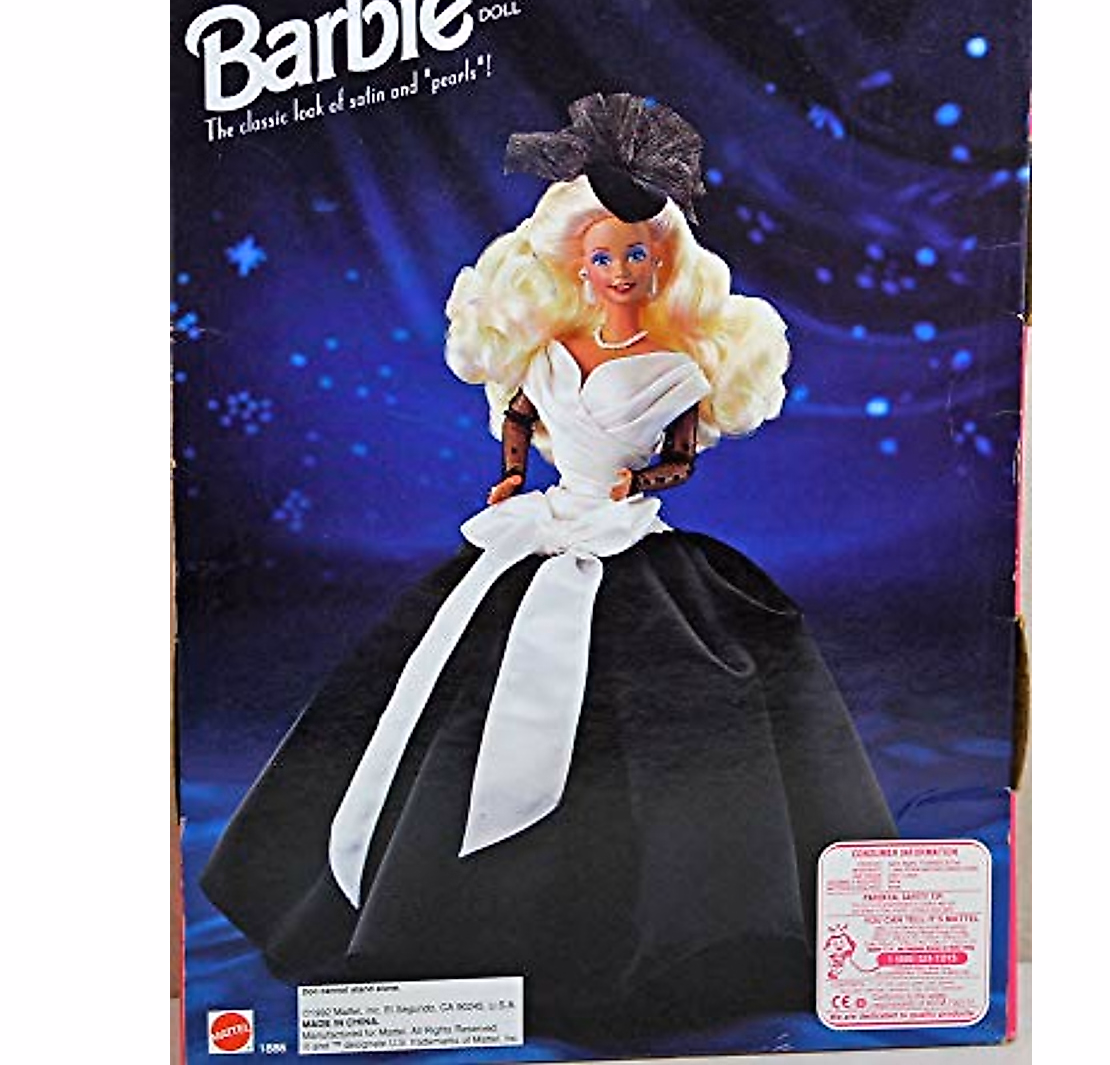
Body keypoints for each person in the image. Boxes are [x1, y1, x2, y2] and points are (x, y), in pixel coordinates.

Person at [200, 94, 897, 1042]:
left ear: (664, 263)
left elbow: (681, 458)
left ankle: (666, 926)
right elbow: (521, 415)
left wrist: (643, 481)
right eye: (604, 257)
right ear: (577, 263)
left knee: (670, 700)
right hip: (542, 526)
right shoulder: (550, 348)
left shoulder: (679, 364)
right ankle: (436, 903)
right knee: (448, 684)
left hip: (626, 535)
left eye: (637, 255)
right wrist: (510, 475)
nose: (620, 271)